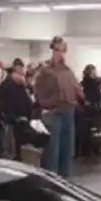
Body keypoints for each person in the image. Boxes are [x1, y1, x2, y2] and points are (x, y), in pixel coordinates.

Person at [32, 36, 83, 177]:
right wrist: (47, 104)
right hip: (53, 113)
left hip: (68, 112)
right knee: (52, 152)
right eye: (57, 49)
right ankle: (51, 182)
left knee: (67, 151)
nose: (59, 53)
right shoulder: (45, 70)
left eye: (62, 50)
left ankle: (65, 183)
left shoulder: (67, 71)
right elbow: (38, 90)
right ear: (52, 50)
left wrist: (79, 98)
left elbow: (77, 89)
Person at [0, 60, 34, 160]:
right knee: (11, 149)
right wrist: (10, 118)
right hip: (12, 121)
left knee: (19, 149)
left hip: (21, 120)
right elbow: (3, 104)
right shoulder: (6, 85)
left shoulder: (22, 85)